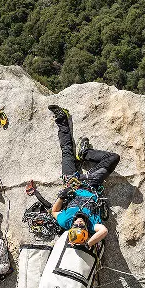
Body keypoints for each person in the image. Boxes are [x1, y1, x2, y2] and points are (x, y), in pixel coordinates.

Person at [25, 105, 120, 249]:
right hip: (90, 184)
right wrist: (87, 244)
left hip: (71, 185)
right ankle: (85, 153)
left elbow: (54, 211)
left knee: (67, 152)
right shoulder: (93, 224)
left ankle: (61, 119)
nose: (79, 223)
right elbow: (104, 231)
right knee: (113, 158)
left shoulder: (66, 221)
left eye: (76, 226)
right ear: (86, 230)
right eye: (81, 227)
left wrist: (62, 197)